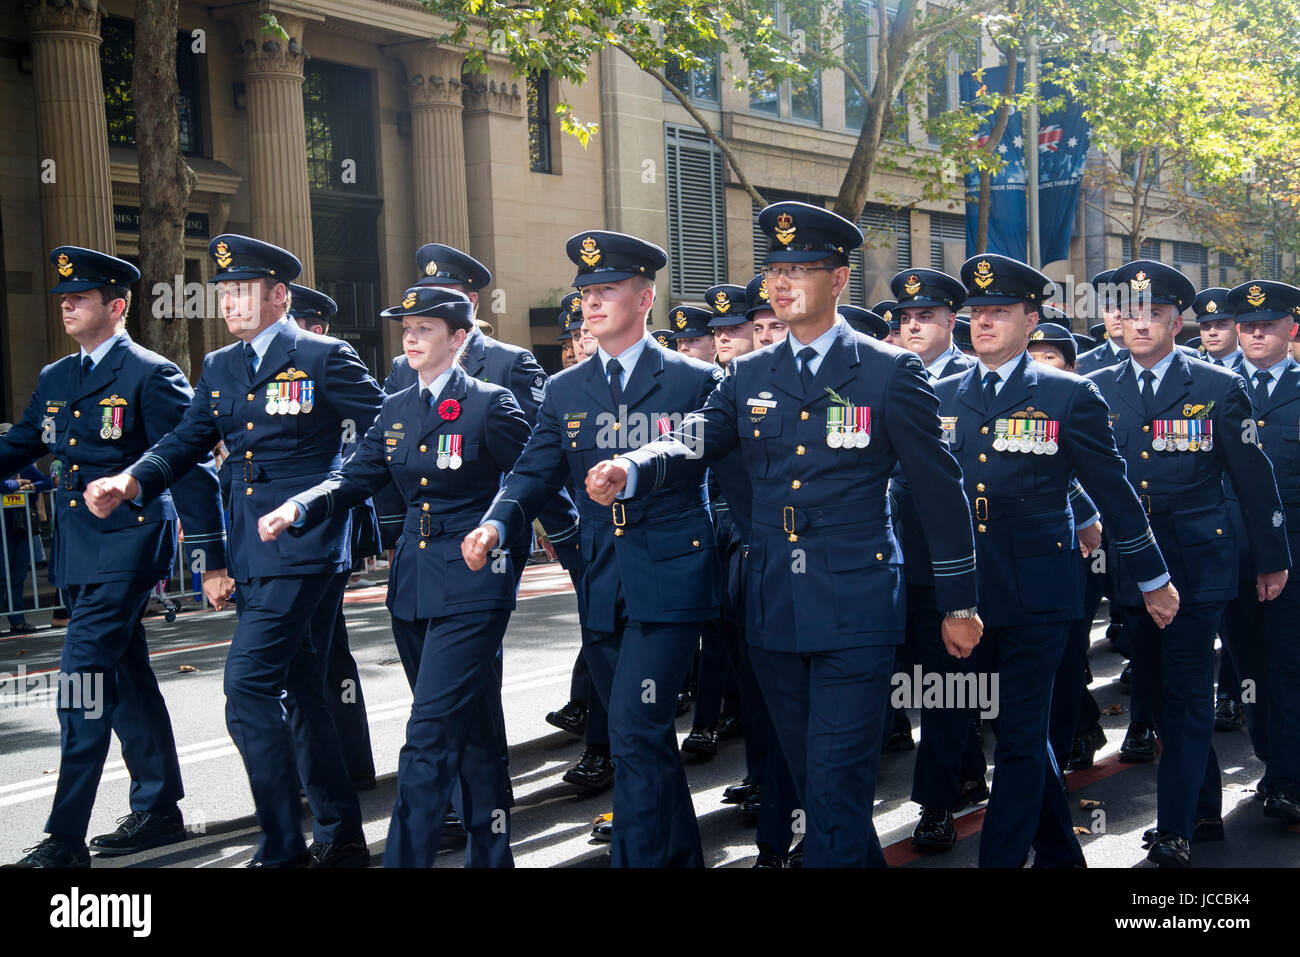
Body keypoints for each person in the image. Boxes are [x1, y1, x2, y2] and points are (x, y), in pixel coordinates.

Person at [586, 202, 983, 866]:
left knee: (835, 783)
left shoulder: (889, 371)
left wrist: (959, 601)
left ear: (838, 279)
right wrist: (631, 466)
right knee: (811, 779)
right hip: (773, 602)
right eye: (775, 269)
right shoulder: (745, 375)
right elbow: (695, 441)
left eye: (800, 268)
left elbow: (942, 494)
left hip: (854, 601)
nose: (782, 282)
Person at [85, 234, 382, 868]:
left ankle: (281, 845)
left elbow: (388, 433)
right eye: (223, 291)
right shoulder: (220, 365)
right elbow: (188, 439)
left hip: (305, 545)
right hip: (251, 545)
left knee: (247, 688)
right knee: (302, 690)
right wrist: (131, 479)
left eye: (243, 289)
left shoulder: (325, 356)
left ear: (279, 295)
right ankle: (341, 837)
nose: (229, 302)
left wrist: (326, 496)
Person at [462, 229, 723, 867]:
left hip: (670, 578)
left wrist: (630, 470)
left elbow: (697, 452)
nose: (592, 303)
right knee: (645, 737)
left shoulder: (697, 379)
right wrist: (497, 523)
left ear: (645, 296)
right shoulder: (565, 389)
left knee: (635, 727)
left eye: (607, 289)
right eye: (586, 292)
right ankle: (680, 857)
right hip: (604, 582)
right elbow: (531, 472)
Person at [261, 285, 530, 866]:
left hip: (474, 582)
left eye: (425, 328)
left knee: (427, 733)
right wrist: (301, 506)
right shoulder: (396, 406)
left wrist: (506, 533)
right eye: (406, 326)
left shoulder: (490, 403)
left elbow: (529, 480)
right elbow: (355, 477)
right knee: (475, 732)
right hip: (412, 585)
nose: (410, 336)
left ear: (459, 339)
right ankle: (493, 857)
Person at [933, 254, 1177, 868]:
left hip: (1040, 588)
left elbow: (1113, 492)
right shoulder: (940, 394)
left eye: (999, 312)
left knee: (1017, 733)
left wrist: (1152, 577)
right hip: (966, 587)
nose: (983, 323)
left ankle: (1002, 859)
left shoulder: (1068, 394)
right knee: (1008, 729)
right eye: (976, 312)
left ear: (1030, 317)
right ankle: (1061, 853)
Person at [2, 246, 226, 869]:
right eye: (63, 299)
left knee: (80, 684)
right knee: (125, 678)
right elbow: (23, 444)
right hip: (76, 548)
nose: (67, 304)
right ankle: (158, 809)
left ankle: (65, 838)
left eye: (80, 297)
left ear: (117, 306)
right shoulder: (54, 377)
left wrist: (211, 556)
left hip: (128, 542)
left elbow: (190, 464)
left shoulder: (149, 374)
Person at [1088, 260, 1290, 867]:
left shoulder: (1216, 387)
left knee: (1185, 690)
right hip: (1132, 564)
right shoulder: (1093, 387)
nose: (1140, 325)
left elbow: (1254, 481)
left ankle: (1172, 826)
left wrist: (1272, 559)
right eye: (1129, 313)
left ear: (1179, 321)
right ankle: (1203, 808)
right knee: (1152, 689)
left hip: (1200, 563)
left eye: (1154, 314)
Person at [881, 267, 985, 851]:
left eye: (926, 317)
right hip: (900, 553)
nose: (914, 325)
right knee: (924, 681)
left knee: (948, 683)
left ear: (952, 322)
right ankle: (966, 769)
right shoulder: (881, 379)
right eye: (906, 318)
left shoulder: (976, 382)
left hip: (961, 558)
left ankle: (936, 804)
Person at [285, 282, 379, 790]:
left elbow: (380, 432)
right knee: (326, 645)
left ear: (315, 326)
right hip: (289, 525)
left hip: (326, 516)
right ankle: (345, 758)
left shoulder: (323, 363)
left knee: (316, 647)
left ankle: (331, 764)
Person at [1219, 279, 1300, 827]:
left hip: (1295, 556)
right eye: (1246, 325)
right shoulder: (1212, 386)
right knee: (1247, 664)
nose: (1254, 333)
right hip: (1230, 556)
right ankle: (1271, 755)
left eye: (1267, 324)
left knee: (1289, 664)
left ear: (1292, 329)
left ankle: (1287, 777)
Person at [1, 456, 53, 635]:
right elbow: (3, 486)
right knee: (1, 578)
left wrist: (31, 486)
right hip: (2, 531)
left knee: (18, 578)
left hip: (22, 529)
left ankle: (18, 620)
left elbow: (46, 482)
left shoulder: (24, 465)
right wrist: (17, 485)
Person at [1075, 270, 1125, 374]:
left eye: (1123, 307)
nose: (1117, 314)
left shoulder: (1154, 359)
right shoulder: (1080, 365)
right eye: (1109, 308)